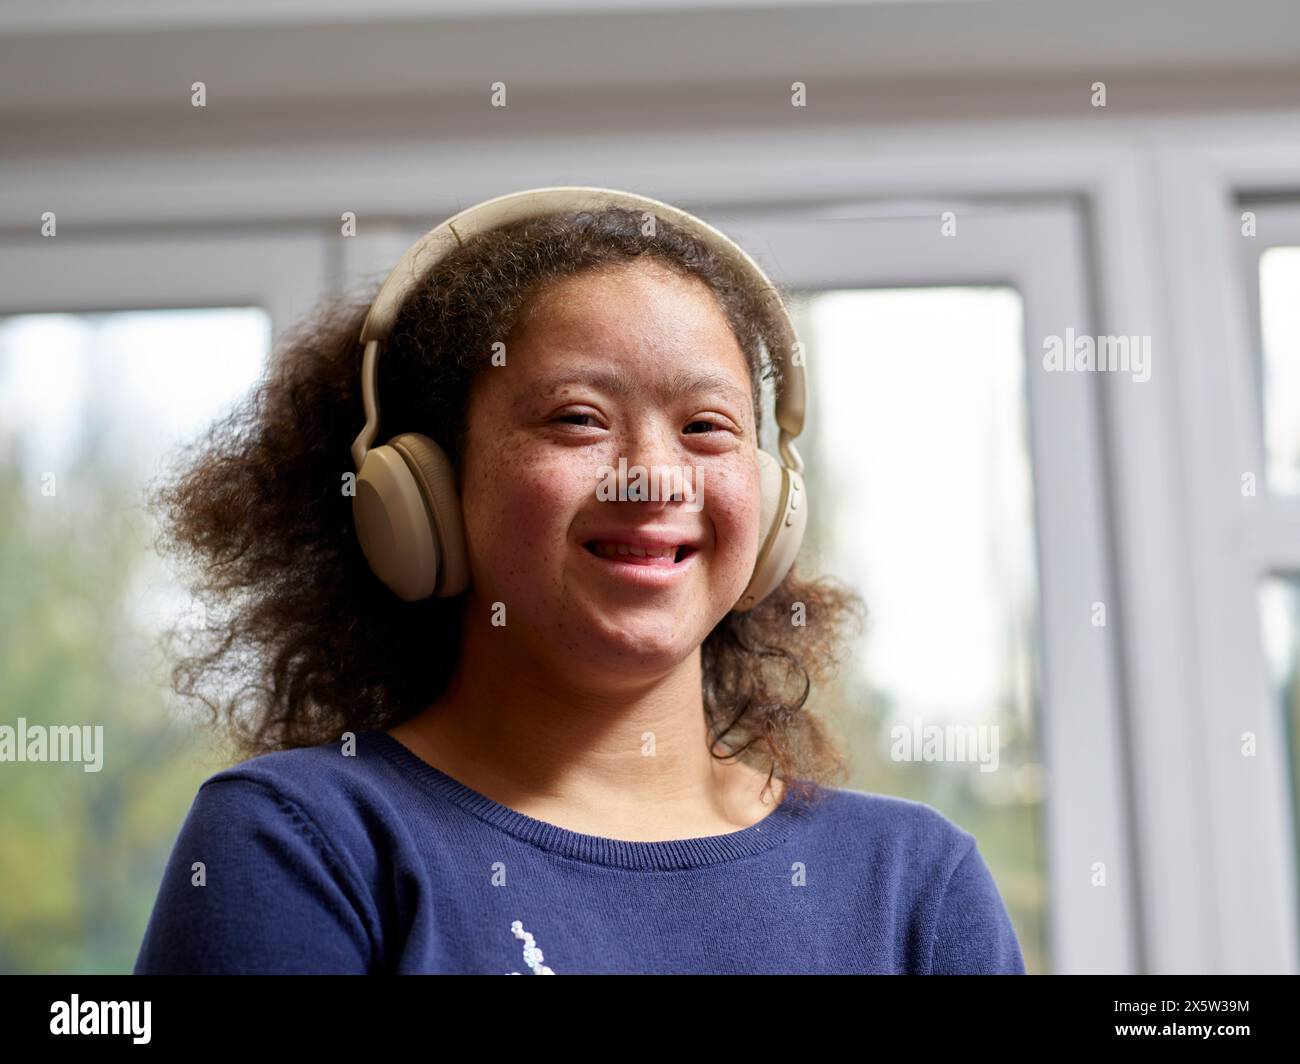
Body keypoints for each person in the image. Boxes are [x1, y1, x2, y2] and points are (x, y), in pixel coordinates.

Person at [133, 189, 1025, 974]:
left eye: (708, 427)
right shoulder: (303, 844)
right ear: (427, 493)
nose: (653, 478)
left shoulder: (916, 887)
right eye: (577, 418)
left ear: (773, 501)